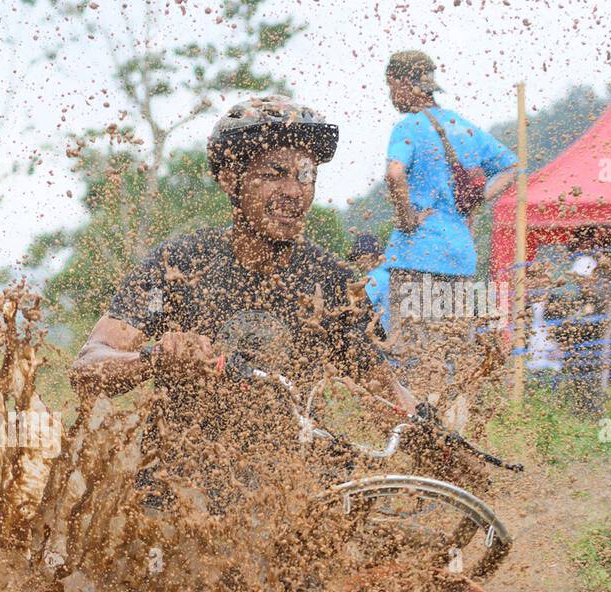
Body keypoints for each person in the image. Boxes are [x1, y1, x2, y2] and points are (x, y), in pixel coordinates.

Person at [70, 95, 417, 513]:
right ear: (230, 178)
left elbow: (385, 392)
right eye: (275, 174)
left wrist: (434, 435)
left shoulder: (332, 283)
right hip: (178, 497)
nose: (293, 191)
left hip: (287, 499)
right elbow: (87, 368)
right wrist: (155, 358)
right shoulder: (179, 265)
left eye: (305, 174)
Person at [382, 51, 518, 397]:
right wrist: (480, 197)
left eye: (390, 85)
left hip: (416, 257)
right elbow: (513, 167)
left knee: (411, 353)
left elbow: (395, 173)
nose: (391, 95)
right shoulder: (465, 127)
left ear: (401, 82)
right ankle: (453, 431)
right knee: (452, 352)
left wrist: (407, 217)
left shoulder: (408, 127)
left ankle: (418, 430)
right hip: (460, 257)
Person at [349, 233, 390, 336]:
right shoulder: (385, 274)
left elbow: (360, 303)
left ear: (368, 256)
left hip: (381, 335)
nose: (356, 262)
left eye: (357, 257)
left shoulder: (374, 278)